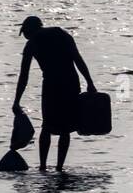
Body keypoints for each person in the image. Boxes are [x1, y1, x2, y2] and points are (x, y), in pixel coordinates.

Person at [13, 16, 97, 172]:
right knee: (65, 128)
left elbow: (24, 75)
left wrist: (17, 101)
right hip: (71, 82)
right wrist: (90, 83)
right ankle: (59, 167)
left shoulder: (32, 44)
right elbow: (78, 59)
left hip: (52, 85)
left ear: (31, 30)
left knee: (47, 127)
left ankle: (43, 167)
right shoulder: (63, 35)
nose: (25, 36)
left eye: (25, 32)